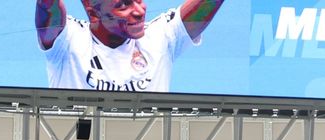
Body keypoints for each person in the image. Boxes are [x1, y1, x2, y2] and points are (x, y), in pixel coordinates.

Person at [36, 0, 224, 93]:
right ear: (94, 13)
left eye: (139, 0)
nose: (139, 11)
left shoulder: (161, 36)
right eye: (124, 5)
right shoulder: (68, 40)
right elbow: (47, 7)